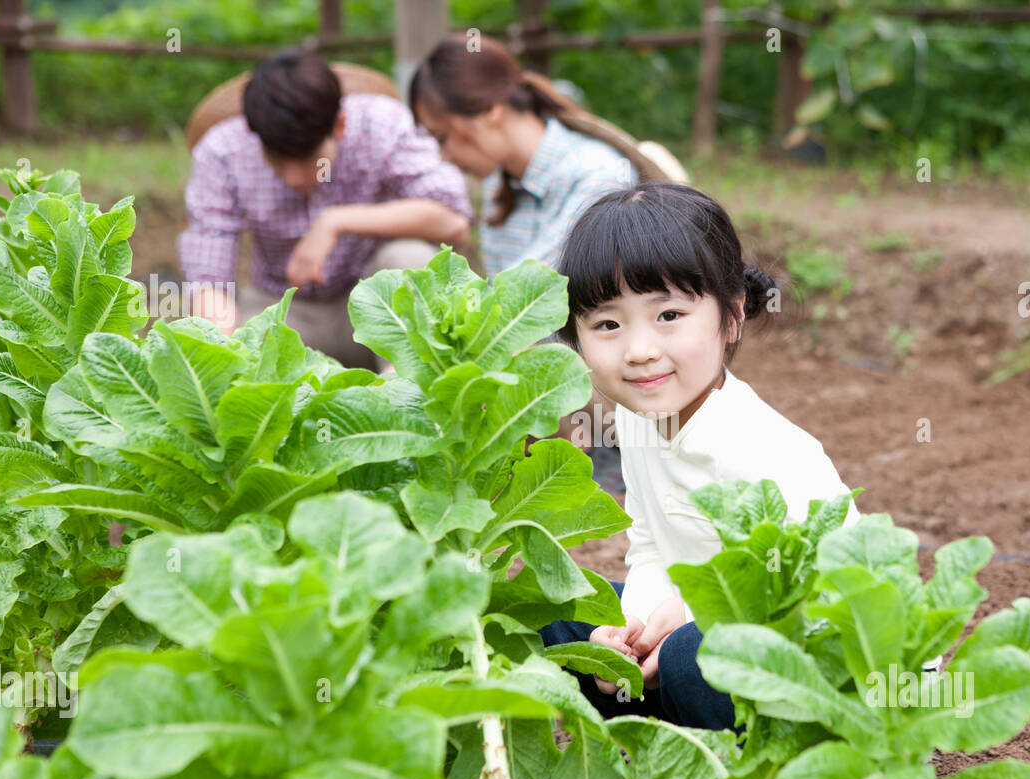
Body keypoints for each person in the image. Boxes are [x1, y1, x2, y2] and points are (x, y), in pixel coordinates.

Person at [538, 182, 862, 733]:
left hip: (836, 676)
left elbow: (805, 599)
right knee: (563, 619)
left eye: (668, 315)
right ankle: (673, 746)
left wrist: (686, 621)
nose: (640, 350)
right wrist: (636, 627)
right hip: (717, 640)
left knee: (693, 658)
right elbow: (650, 545)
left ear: (731, 316)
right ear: (577, 339)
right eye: (608, 325)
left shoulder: (760, 447)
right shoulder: (639, 423)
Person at [408, 33, 638, 488]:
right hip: (546, 373)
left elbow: (529, 300)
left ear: (490, 111)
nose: (443, 156)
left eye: (442, 137)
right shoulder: (501, 184)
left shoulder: (596, 174)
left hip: (608, 372)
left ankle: (606, 453)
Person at [180, 50, 473, 369]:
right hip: (284, 313)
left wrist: (336, 221)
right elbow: (210, 279)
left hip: (373, 307)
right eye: (277, 163)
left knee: (411, 258)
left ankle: (409, 395)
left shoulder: (381, 125)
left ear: (341, 125)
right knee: (246, 351)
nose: (293, 179)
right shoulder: (223, 151)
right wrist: (222, 356)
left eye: (309, 161)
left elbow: (453, 221)